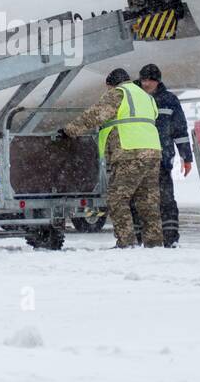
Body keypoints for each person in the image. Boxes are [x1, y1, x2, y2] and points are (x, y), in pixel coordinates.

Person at [57, 67, 163, 248]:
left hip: (130, 152)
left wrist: (68, 131)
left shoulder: (119, 93)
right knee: (147, 201)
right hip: (152, 152)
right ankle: (154, 243)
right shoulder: (146, 96)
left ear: (112, 84)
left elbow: (94, 116)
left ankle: (126, 242)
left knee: (117, 199)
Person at [137, 63, 192, 247]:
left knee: (166, 200)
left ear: (157, 81)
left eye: (150, 80)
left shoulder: (169, 100)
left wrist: (187, 157)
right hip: (137, 159)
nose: (146, 84)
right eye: (144, 80)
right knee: (137, 200)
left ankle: (170, 238)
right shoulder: (134, 98)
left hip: (161, 159)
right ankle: (138, 238)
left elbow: (180, 131)